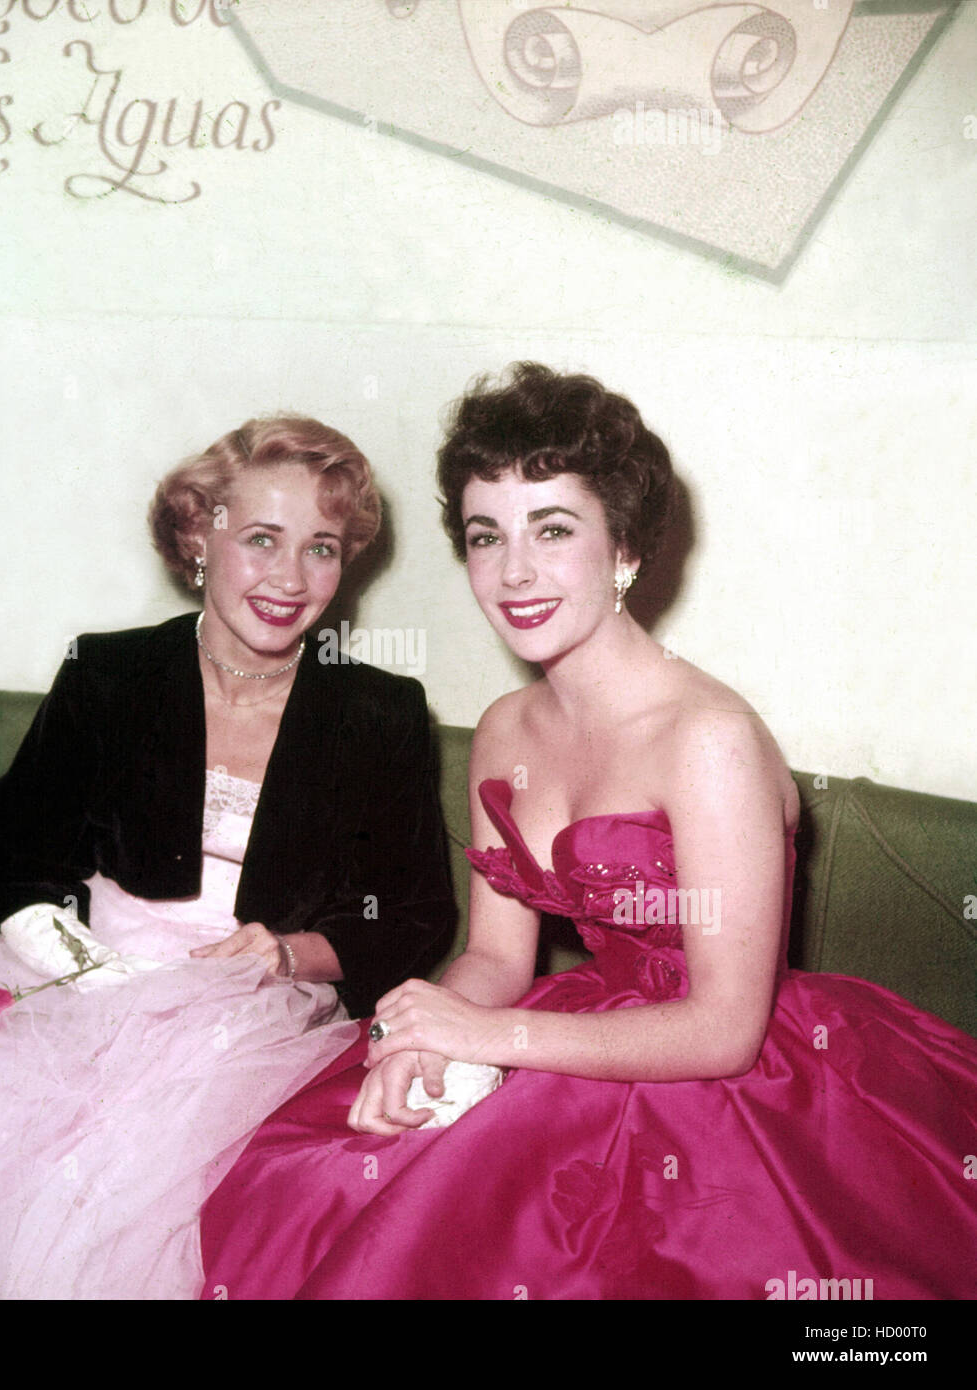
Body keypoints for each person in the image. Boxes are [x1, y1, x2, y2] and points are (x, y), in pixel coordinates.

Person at [198, 364, 977, 1300]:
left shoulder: (709, 739)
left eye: (554, 530)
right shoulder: (505, 728)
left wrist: (488, 1036)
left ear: (625, 552)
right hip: (571, 1032)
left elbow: (725, 1030)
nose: (513, 571)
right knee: (310, 1180)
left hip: (729, 1073)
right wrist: (425, 1036)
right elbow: (493, 956)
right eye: (488, 536)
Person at [0, 416, 456, 1300]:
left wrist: (287, 953)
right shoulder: (110, 674)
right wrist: (106, 983)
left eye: (321, 548)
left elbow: (414, 915)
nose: (290, 579)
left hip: (261, 1028)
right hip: (72, 987)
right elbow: (16, 865)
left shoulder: (380, 711)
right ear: (198, 533)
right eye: (261, 539)